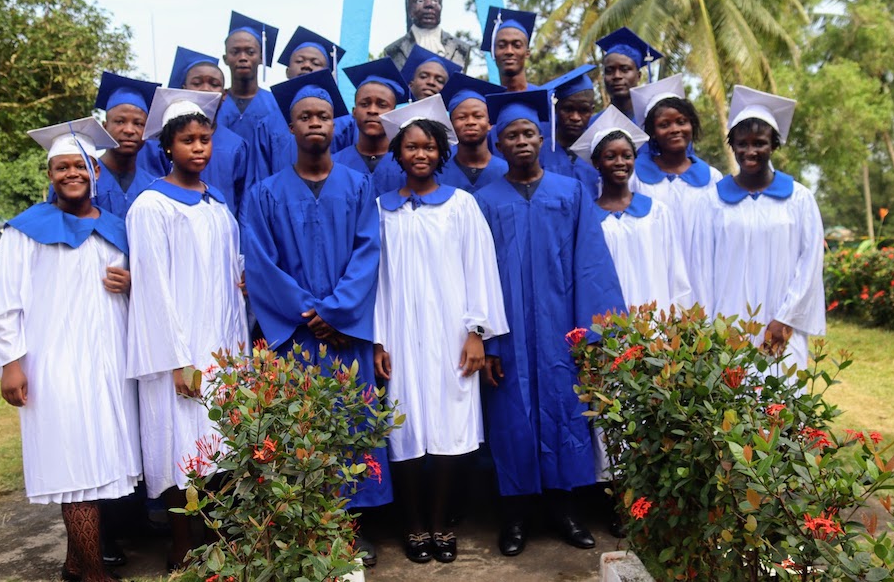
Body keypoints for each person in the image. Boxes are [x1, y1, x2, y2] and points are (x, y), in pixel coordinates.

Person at [239, 70, 392, 567]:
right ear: (290, 127)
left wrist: (337, 313)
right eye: (304, 117)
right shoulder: (264, 193)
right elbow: (261, 263)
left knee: (350, 426)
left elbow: (368, 253)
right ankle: (305, 526)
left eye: (323, 116)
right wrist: (309, 312)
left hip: (344, 336)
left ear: (335, 123)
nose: (314, 124)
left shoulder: (358, 185)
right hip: (296, 339)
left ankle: (352, 527)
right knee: (299, 429)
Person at [0, 117, 141, 582]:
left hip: (107, 365)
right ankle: (92, 574)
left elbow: (142, 296)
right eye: (61, 168)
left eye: (80, 166)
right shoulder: (26, 230)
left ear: (95, 171)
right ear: (50, 175)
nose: (71, 174)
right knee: (76, 467)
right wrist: (11, 364)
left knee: (97, 465)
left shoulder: (117, 228)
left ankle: (75, 564)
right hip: (55, 365)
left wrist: (133, 283)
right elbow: (4, 301)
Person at [474, 89, 625, 557]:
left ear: (542, 139)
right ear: (498, 145)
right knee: (512, 421)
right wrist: (488, 342)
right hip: (510, 334)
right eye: (511, 136)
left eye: (528, 134)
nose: (520, 142)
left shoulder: (571, 192)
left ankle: (565, 511)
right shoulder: (482, 200)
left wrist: (591, 336)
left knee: (565, 413)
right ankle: (514, 517)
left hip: (562, 331)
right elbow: (474, 276)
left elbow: (591, 267)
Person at [372, 96, 508, 565]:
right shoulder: (381, 210)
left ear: (441, 152)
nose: (421, 154)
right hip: (401, 336)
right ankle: (412, 524)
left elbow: (481, 270)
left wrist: (477, 332)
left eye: (429, 146)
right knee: (404, 429)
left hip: (452, 333)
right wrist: (377, 340)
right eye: (411, 147)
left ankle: (442, 524)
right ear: (398, 153)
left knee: (452, 428)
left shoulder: (462, 206)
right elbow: (375, 282)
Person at [126, 88, 248, 569]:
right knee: (181, 449)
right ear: (168, 147)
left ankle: (215, 537)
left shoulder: (217, 205)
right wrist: (178, 359)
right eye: (188, 141)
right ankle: (182, 542)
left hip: (221, 343)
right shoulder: (152, 207)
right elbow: (153, 288)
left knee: (217, 444)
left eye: (205, 139)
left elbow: (229, 278)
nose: (198, 148)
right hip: (179, 351)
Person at [688, 86, 825, 375]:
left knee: (781, 405)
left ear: (774, 145)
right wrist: (711, 328)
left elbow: (810, 264)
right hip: (727, 327)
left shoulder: (798, 199)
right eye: (742, 143)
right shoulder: (712, 201)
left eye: (760, 143)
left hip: (781, 327)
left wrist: (786, 318)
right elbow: (700, 269)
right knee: (729, 409)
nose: (750, 151)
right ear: (732, 145)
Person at [571, 106, 692, 317]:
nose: (620, 162)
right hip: (610, 329)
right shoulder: (588, 219)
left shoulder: (657, 212)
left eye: (627, 156)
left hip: (657, 329)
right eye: (610, 156)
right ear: (597, 163)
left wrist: (680, 324)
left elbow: (676, 275)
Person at [140, 47, 250, 217]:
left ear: (224, 94)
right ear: (184, 87)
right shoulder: (157, 144)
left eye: (214, 84)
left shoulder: (236, 145)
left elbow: (243, 201)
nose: (205, 89)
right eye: (197, 83)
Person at [628, 75, 723, 260]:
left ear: (692, 125)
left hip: (699, 271)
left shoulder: (712, 178)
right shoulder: (635, 177)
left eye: (681, 122)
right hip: (653, 268)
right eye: (664, 125)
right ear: (652, 133)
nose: (675, 129)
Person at [215, 11, 288, 186]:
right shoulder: (215, 104)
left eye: (250, 52)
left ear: (261, 57)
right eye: (235, 52)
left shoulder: (276, 105)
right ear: (225, 59)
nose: (243, 58)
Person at [331, 58, 412, 196]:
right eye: (364, 104)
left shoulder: (408, 164)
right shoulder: (333, 165)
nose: (372, 110)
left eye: (382, 105)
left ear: (394, 113)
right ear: (354, 112)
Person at [90, 72, 160, 218]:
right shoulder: (83, 180)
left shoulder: (154, 186)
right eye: (120, 121)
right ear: (104, 127)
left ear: (146, 131)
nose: (129, 130)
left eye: (138, 123)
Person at [276, 26, 355, 154]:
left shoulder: (346, 123)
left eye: (316, 63)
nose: (306, 66)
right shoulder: (266, 123)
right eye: (299, 61)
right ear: (287, 71)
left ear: (329, 74)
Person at [437, 73, 508, 193]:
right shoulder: (437, 172)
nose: (470, 122)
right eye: (462, 117)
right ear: (450, 124)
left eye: (478, 116)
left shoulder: (507, 172)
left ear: (490, 123)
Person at [383, 0, 473, 70]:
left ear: (441, 7)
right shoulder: (394, 51)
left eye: (435, 0)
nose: (429, 4)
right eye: (420, 0)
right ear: (409, 7)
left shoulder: (460, 49)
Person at [539, 64, 601, 194]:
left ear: (592, 111)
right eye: (568, 109)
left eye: (583, 110)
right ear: (556, 108)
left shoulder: (600, 151)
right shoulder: (540, 152)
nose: (575, 117)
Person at [593, 28, 663, 122]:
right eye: (609, 71)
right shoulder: (594, 124)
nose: (617, 76)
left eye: (625, 69)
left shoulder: (654, 120)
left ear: (638, 76)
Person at [480, 6, 538, 93]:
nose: (509, 51)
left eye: (517, 45)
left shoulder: (544, 99)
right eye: (501, 45)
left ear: (527, 53)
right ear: (493, 52)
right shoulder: (486, 104)